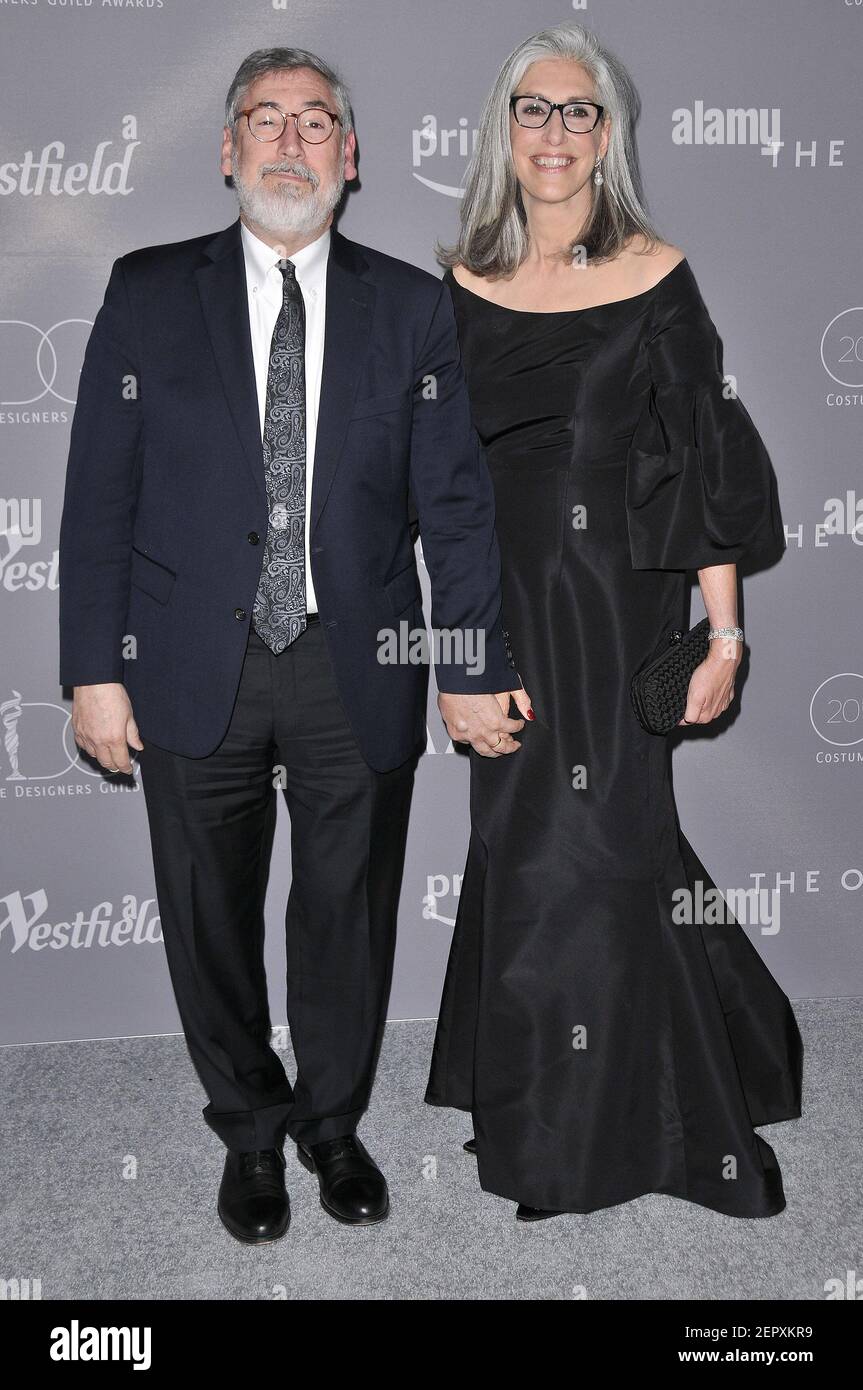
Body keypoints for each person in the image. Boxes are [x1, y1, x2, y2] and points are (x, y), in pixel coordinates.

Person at [58, 45, 530, 1244]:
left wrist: (469, 663)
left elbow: (455, 506)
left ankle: (330, 1124)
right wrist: (91, 671)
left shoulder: (411, 305)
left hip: (352, 662)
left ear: (350, 156)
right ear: (226, 150)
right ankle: (251, 1131)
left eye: (314, 123)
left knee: (344, 913)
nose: (288, 141)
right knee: (207, 917)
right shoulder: (146, 290)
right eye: (262, 120)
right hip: (183, 662)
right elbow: (99, 496)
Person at [425, 22, 803, 1221]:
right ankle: (591, 1093)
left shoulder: (655, 271)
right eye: (532, 109)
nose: (553, 130)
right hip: (501, 609)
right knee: (529, 849)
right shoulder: (459, 283)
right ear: (505, 130)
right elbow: (440, 492)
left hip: (614, 608)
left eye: (577, 110)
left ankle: (612, 1132)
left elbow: (701, 468)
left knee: (602, 850)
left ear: (608, 134)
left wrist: (722, 635)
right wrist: (455, 648)